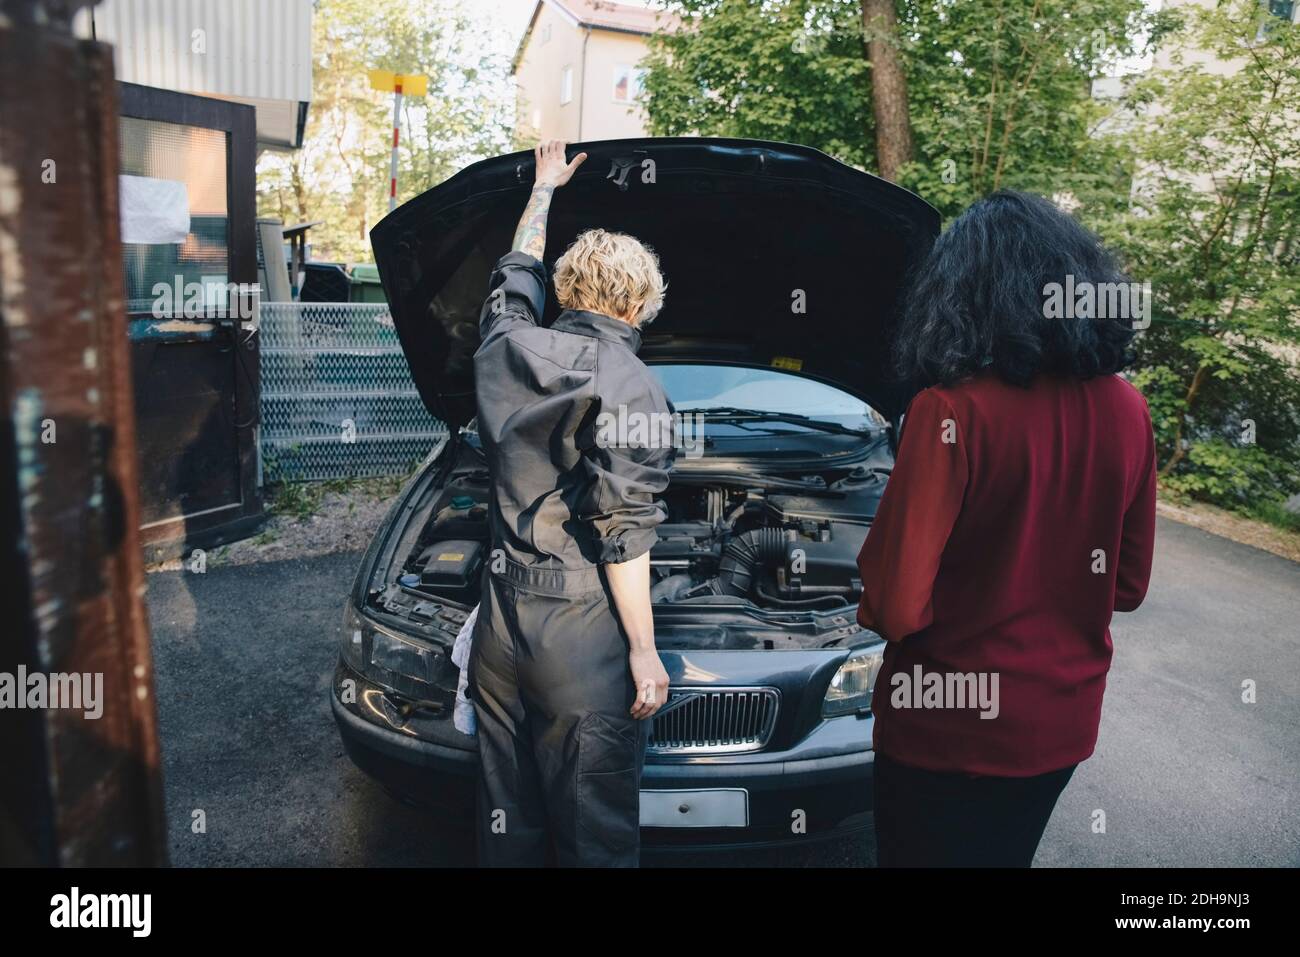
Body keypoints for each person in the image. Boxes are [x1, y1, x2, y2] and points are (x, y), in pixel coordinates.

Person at [857, 190, 1157, 868]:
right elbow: (1129, 584)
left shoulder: (948, 411)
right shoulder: (1128, 408)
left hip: (943, 729)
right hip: (1059, 725)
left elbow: (897, 607)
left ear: (961, 294)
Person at [466, 140, 675, 867]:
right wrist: (645, 652)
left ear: (565, 289)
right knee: (595, 833)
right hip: (580, 638)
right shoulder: (634, 385)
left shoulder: (506, 346)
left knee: (509, 820)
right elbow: (624, 535)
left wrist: (544, 190)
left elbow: (513, 273)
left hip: (498, 627)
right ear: (641, 302)